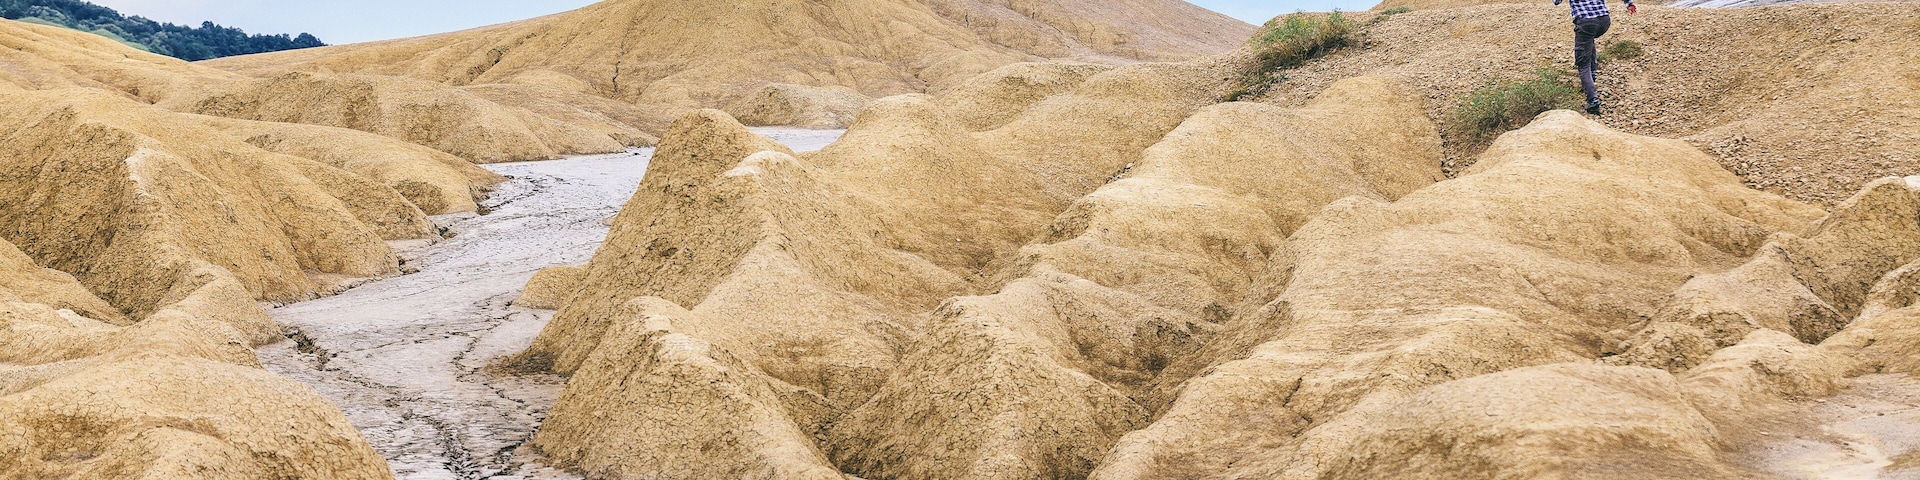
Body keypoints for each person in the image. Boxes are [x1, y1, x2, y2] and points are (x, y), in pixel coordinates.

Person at [1555, 0, 1636, 114]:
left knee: (1583, 64)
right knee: (1588, 39)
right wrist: (1629, 3)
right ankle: (1592, 76)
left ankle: (1592, 101)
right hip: (1604, 20)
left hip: (1586, 22)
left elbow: (1556, 2)